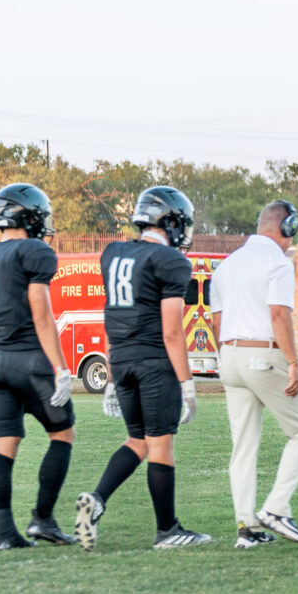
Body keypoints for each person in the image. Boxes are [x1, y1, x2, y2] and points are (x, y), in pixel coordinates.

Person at [75, 186, 210, 551]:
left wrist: (110, 373)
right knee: (161, 444)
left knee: (138, 440)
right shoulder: (170, 260)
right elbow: (172, 331)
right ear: (170, 223)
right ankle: (168, 530)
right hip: (153, 362)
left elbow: (110, 314)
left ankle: (97, 500)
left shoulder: (114, 253)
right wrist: (187, 383)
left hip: (121, 359)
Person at [210, 200, 298, 548]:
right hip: (263, 354)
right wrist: (293, 362)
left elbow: (216, 322)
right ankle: (276, 508)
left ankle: (247, 527)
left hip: (229, 356)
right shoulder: (278, 262)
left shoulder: (226, 265)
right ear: (287, 227)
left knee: (243, 446)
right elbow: (278, 315)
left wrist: (228, 356)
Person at [0, 184, 76, 549]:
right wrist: (61, 368)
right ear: (29, 217)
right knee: (62, 434)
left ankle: (5, 534)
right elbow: (42, 313)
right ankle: (43, 519)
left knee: (4, 445)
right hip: (28, 360)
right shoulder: (34, 250)